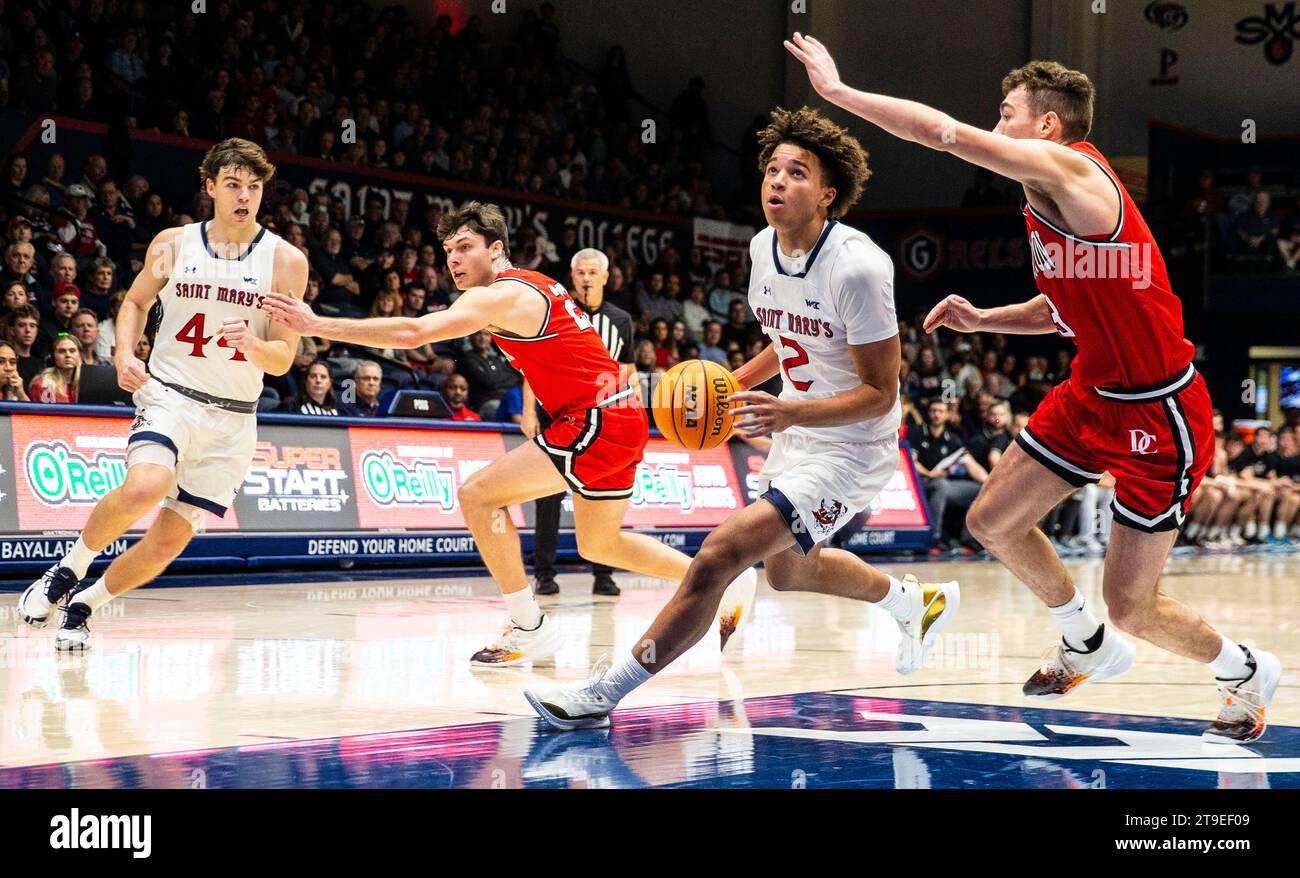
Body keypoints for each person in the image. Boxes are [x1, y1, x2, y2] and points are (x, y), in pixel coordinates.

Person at [785, 34, 1279, 741]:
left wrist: (839, 95)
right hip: (1090, 397)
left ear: (1047, 125)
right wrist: (987, 317)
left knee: (1133, 605)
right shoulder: (1047, 199)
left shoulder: (1072, 170)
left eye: (1006, 111)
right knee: (991, 521)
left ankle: (1243, 669)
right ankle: (1083, 640)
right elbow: (1061, 308)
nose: (996, 124)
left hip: (1159, 411)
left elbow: (942, 134)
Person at [525, 106, 960, 729]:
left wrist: (789, 409)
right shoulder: (762, 249)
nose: (777, 181)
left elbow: (881, 393)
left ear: (827, 195)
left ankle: (603, 692)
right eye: (772, 169)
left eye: (797, 172)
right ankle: (913, 601)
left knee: (718, 555)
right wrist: (729, 387)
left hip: (854, 442)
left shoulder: (859, 267)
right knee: (787, 571)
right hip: (799, 427)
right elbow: (786, 342)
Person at [263, 201, 758, 667]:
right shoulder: (533, 283)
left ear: (496, 248)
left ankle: (527, 626)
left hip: (595, 418)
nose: (454, 260)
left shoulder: (499, 294)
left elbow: (416, 334)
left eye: (465, 247)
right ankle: (722, 579)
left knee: (477, 496)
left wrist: (317, 322)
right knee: (600, 545)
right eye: (448, 251)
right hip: (618, 416)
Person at [17, 138, 307, 651]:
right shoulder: (173, 243)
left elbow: (285, 357)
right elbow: (133, 303)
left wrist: (257, 347)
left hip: (235, 419)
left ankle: (86, 603)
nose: (245, 196)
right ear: (211, 187)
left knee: (167, 544)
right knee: (146, 485)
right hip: (171, 394)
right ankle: (66, 570)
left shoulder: (286, 262)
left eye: (255, 187)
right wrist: (126, 355)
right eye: (234, 185)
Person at [532, 248, 636, 597]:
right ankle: (544, 573)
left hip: (606, 417)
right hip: (558, 413)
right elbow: (534, 360)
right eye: (581, 273)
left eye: (593, 273)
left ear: (606, 277)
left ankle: (603, 574)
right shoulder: (560, 311)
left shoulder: (621, 320)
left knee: (601, 494)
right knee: (547, 494)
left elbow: (629, 371)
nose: (587, 278)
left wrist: (633, 407)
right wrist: (529, 412)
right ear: (572, 277)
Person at [28, 334, 82, 403]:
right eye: (62, 351)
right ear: (52, 357)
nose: (68, 355)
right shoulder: (43, 385)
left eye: (72, 351)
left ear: (79, 355)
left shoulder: (87, 383)